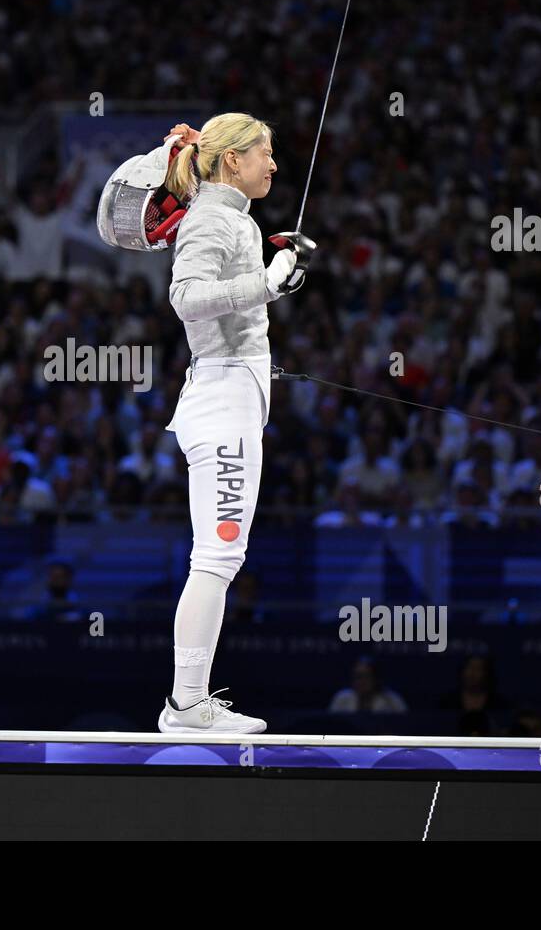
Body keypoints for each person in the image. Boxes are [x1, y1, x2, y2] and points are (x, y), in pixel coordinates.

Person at [153, 114, 307, 733]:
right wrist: (265, 283)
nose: (273, 165)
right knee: (216, 560)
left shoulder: (233, 219)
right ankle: (186, 704)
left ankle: (188, 702)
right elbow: (185, 297)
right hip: (220, 404)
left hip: (230, 398)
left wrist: (272, 274)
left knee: (220, 559)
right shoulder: (214, 219)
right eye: (264, 154)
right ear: (229, 161)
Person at [328, 657, 408, 713]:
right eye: (358, 677)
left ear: (376, 678)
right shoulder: (342, 698)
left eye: (366, 676)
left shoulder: (392, 701)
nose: (361, 681)